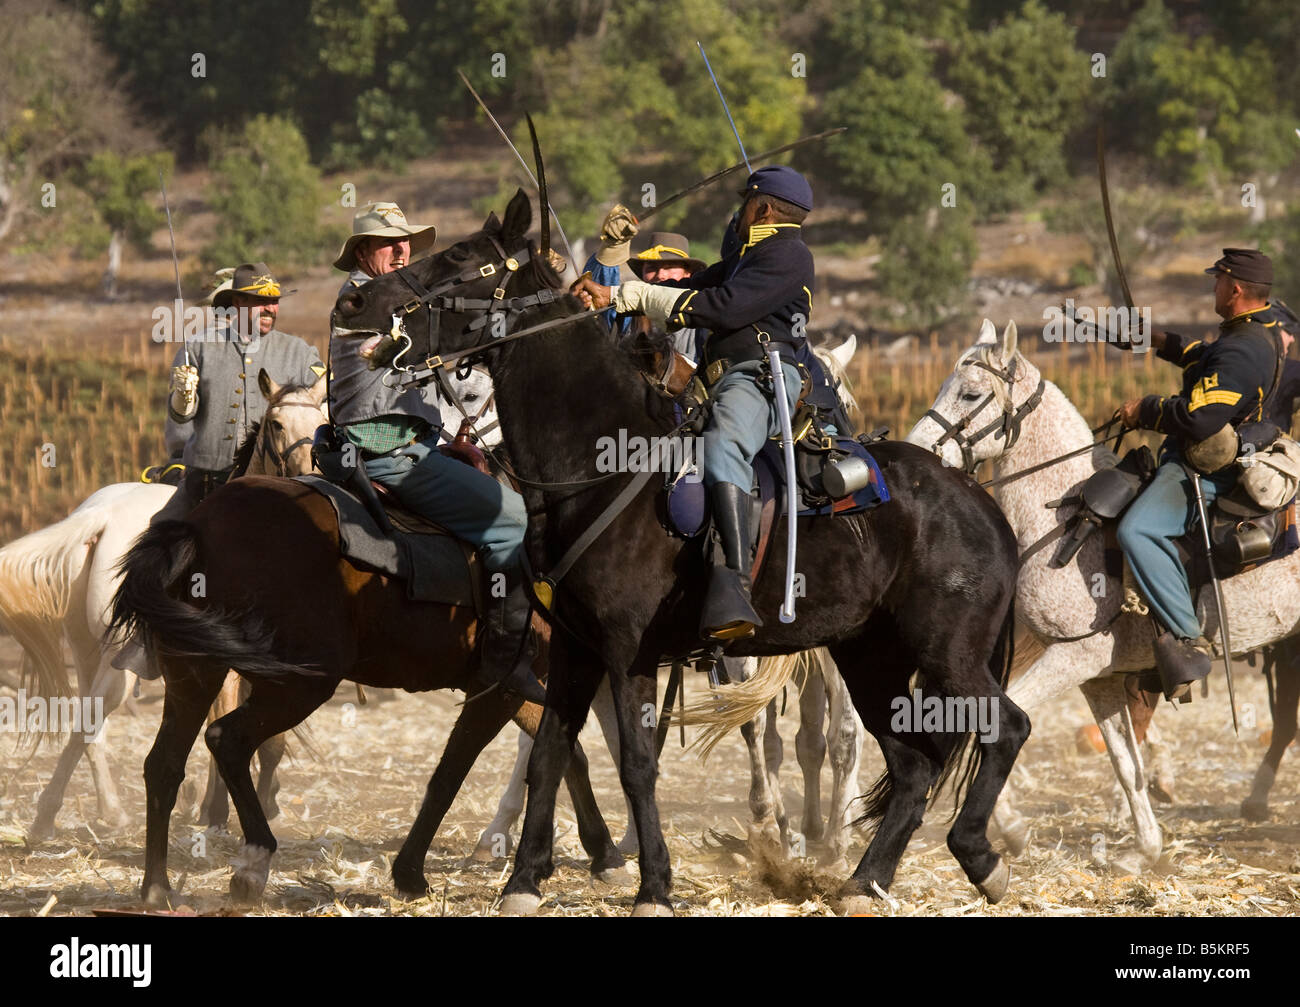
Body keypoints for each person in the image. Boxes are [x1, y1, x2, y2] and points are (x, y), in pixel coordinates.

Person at [574, 165, 815, 642]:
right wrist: (613, 289)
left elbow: (722, 307)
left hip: (757, 376)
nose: (737, 213)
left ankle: (734, 584)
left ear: (762, 208)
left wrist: (634, 293)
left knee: (724, 445)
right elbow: (689, 293)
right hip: (715, 381)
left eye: (743, 204)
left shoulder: (787, 253)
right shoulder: (751, 255)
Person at [328, 201, 542, 705]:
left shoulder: (394, 298)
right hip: (387, 453)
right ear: (363, 252)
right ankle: (502, 658)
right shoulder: (364, 301)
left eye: (407, 242)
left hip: (418, 444)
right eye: (389, 243)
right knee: (511, 518)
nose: (402, 250)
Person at [1116, 248, 1285, 700]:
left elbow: (1199, 419)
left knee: (1136, 530)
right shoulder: (1254, 331)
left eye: (1217, 281)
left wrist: (1144, 410)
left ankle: (1188, 640)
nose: (1211, 287)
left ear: (1234, 289)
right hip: (1210, 457)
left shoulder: (1245, 348)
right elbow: (1205, 358)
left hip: (1209, 471)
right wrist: (1153, 339)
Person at [156, 262, 325, 521]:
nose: (270, 308)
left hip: (278, 486)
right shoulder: (198, 348)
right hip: (204, 483)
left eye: (274, 301)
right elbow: (180, 419)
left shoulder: (300, 352)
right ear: (237, 302)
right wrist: (183, 397)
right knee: (162, 536)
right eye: (260, 301)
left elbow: (325, 402)